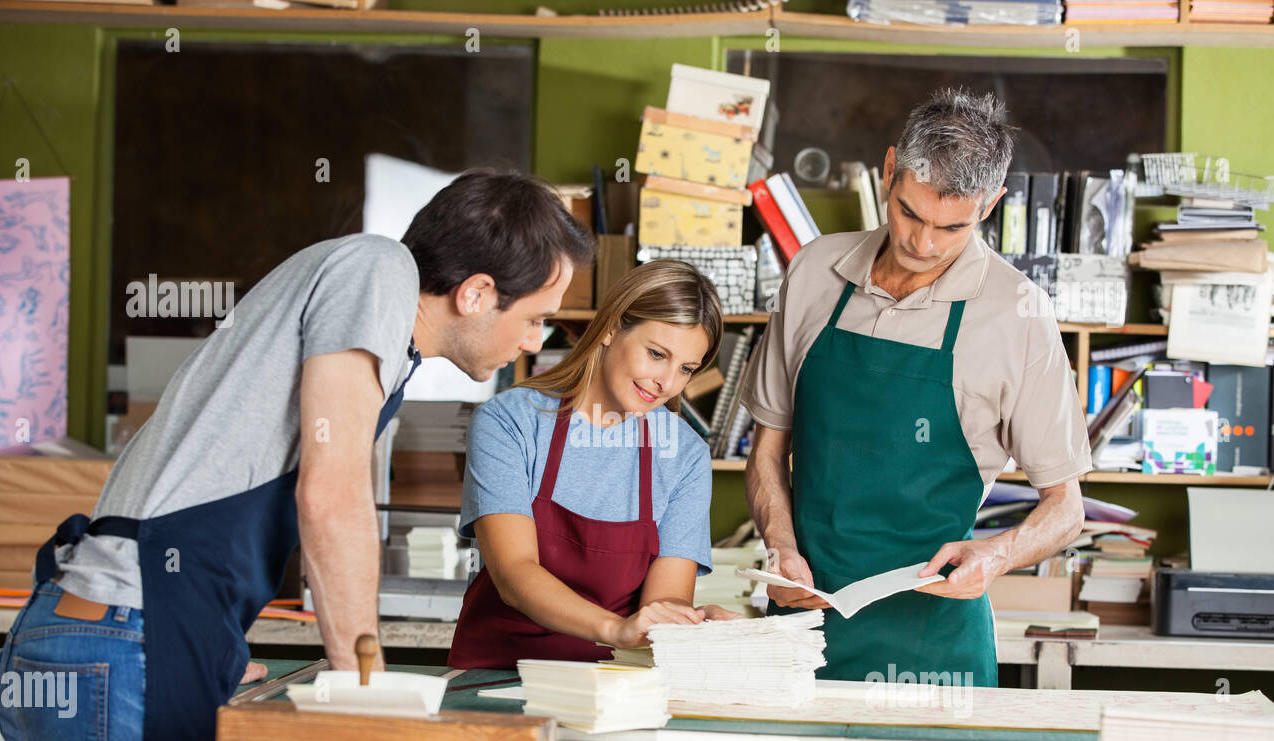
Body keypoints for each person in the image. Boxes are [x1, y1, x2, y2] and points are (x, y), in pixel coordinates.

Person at [0, 170, 596, 741]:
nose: (534, 341)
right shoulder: (379, 270)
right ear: (477, 293)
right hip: (126, 649)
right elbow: (330, 491)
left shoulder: (364, 315)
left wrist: (213, 648)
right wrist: (362, 688)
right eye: (535, 318)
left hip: (74, 637)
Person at [740, 88, 1091, 687]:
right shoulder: (813, 273)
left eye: (952, 227)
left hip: (933, 649)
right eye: (910, 212)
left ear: (992, 204)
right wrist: (780, 547)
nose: (923, 244)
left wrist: (998, 554)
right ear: (888, 170)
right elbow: (769, 448)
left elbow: (1067, 509)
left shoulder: (1020, 314)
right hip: (801, 623)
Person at [449, 259, 739, 670]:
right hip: (498, 677)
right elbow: (515, 573)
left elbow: (664, 601)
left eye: (686, 369)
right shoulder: (509, 423)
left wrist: (689, 621)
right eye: (657, 354)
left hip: (613, 685)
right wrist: (615, 629)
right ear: (609, 328)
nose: (668, 383)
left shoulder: (685, 455)